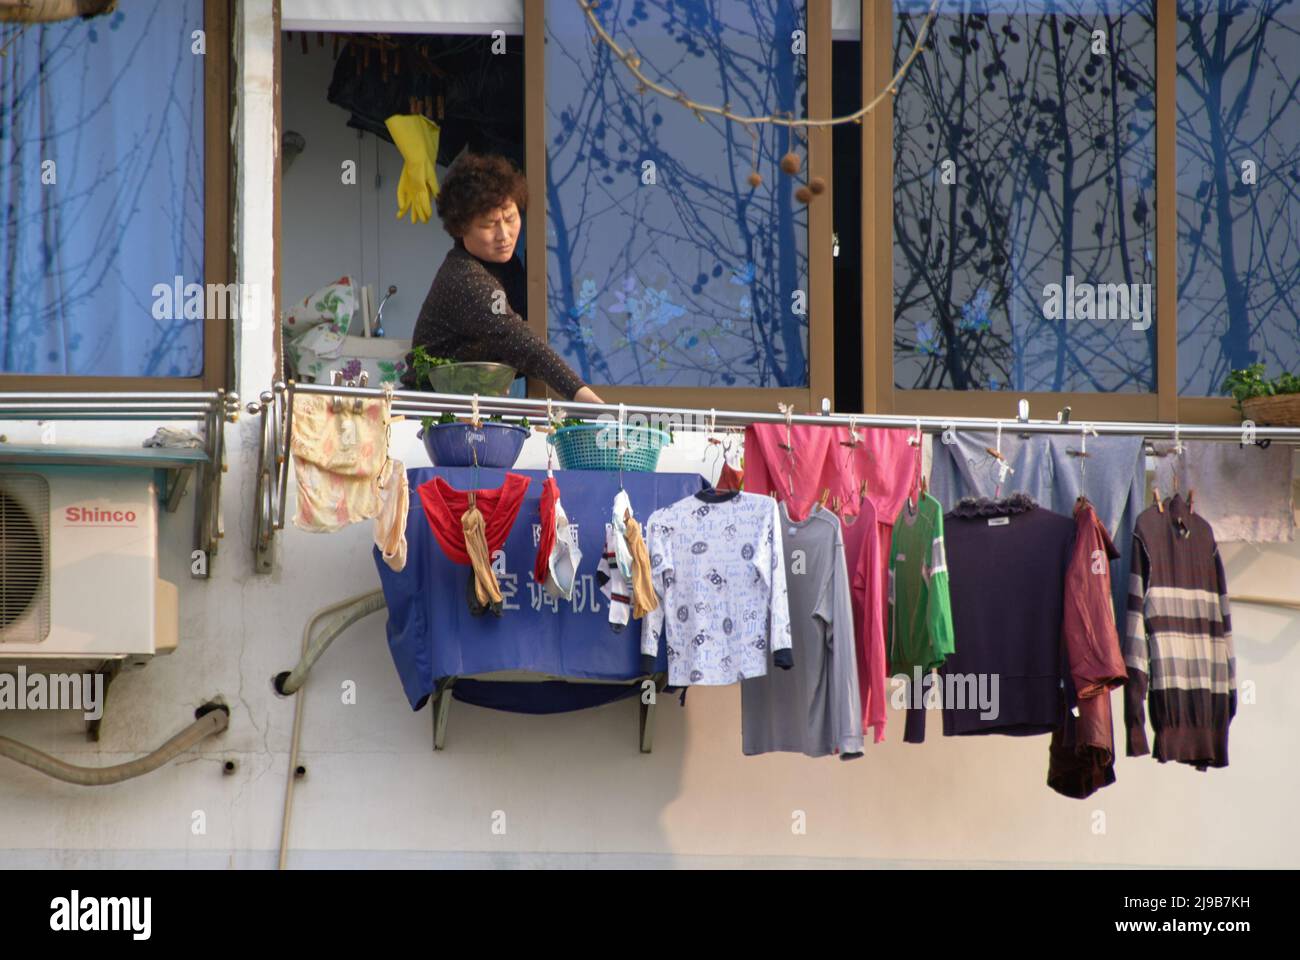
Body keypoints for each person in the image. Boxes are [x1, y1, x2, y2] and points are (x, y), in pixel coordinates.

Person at [401, 152, 604, 404]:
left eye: (510, 218)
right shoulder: (466, 278)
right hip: (428, 410)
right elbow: (520, 342)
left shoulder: (509, 267)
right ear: (460, 227)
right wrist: (589, 400)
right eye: (489, 225)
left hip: (471, 406)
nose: (504, 235)